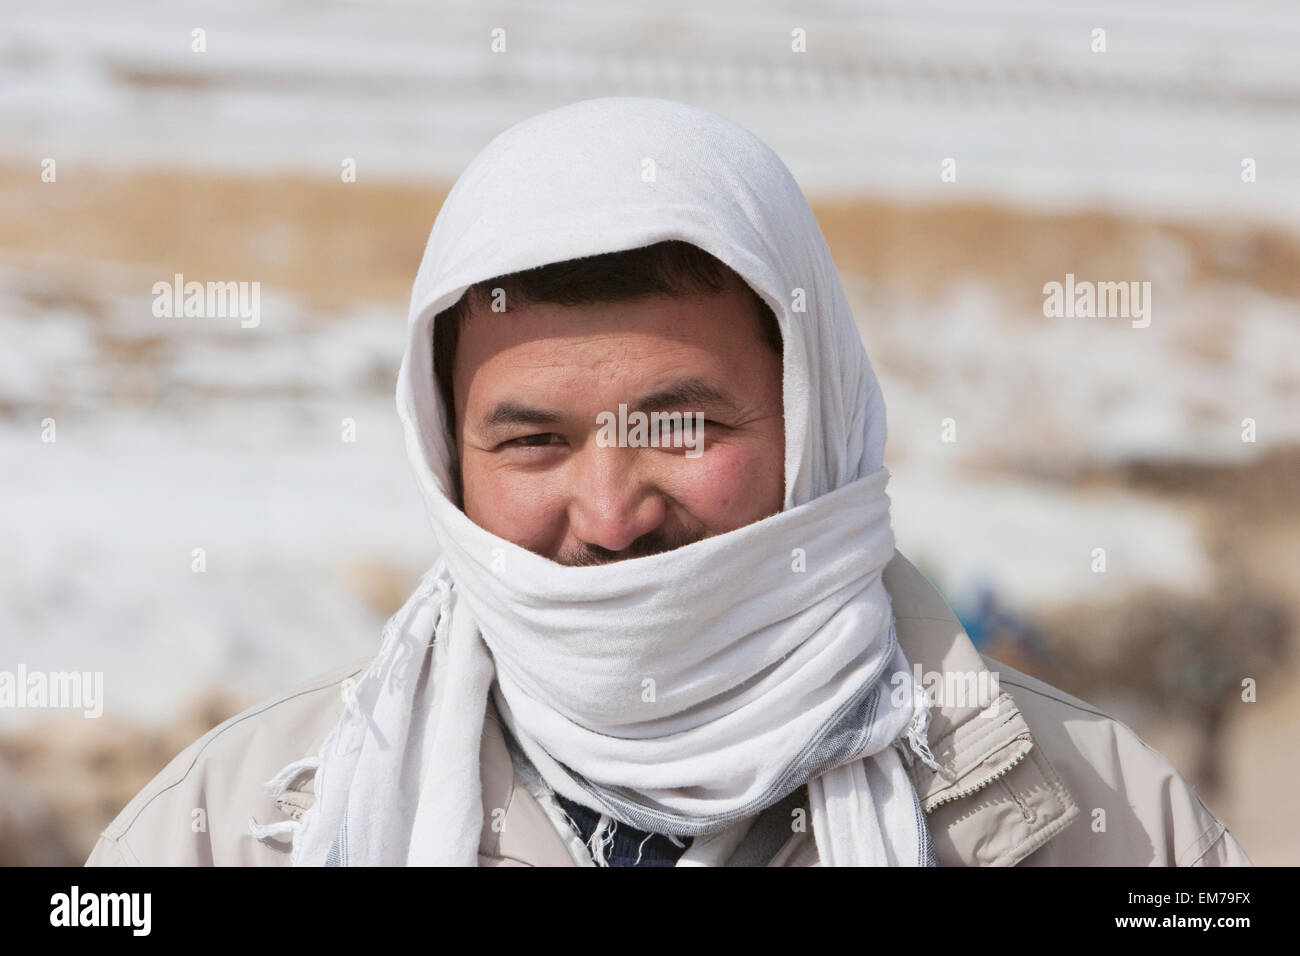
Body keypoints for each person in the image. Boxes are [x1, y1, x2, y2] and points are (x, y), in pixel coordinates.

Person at [86, 97, 1250, 867]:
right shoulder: (239, 827)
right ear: (447, 457)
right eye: (533, 441)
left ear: (814, 419)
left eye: (683, 422)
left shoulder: (1096, 825)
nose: (610, 515)